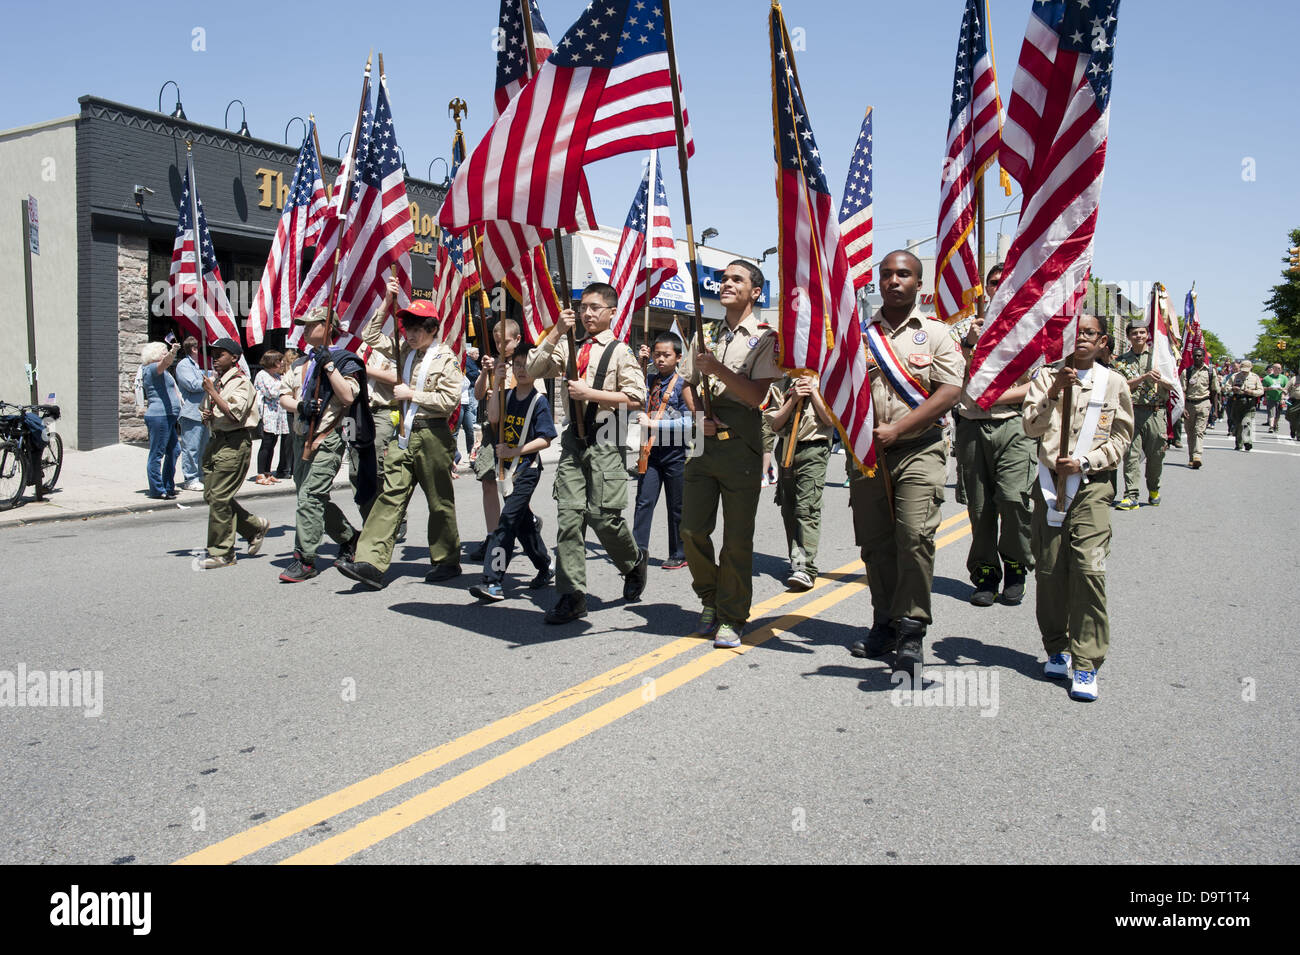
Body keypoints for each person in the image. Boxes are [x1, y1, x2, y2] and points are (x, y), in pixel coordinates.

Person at [847, 251, 963, 677]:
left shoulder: (935, 334)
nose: (894, 281)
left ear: (918, 283)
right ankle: (885, 622)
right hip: (870, 456)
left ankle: (912, 629)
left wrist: (899, 429)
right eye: (887, 275)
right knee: (876, 545)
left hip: (919, 448)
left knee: (913, 537)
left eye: (904, 275)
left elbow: (950, 390)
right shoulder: (859, 336)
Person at [1022, 314, 1134, 702]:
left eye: (1089, 333)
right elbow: (1031, 428)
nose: (1082, 338)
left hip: (1092, 485)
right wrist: (1054, 390)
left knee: (1088, 568)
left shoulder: (1114, 383)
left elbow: (1121, 437)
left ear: (1103, 341)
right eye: (1076, 332)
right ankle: (1057, 647)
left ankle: (1086, 663)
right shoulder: (1045, 378)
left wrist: (1087, 462)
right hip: (1051, 484)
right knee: (1051, 569)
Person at [526, 282, 648, 624]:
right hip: (573, 442)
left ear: (611, 312)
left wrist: (590, 392)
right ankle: (572, 594)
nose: (587, 313)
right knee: (569, 518)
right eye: (583, 307)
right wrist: (555, 333)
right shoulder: (569, 345)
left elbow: (637, 398)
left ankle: (633, 560)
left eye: (595, 307)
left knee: (603, 516)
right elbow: (534, 369)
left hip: (606, 438)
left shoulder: (620, 351)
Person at [680, 261, 782, 647]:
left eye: (736, 279)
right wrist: (697, 414)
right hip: (704, 441)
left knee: (737, 539)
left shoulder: (765, 337)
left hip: (742, 442)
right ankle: (710, 598)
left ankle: (733, 615)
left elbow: (758, 396)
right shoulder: (704, 331)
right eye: (723, 278)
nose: (726, 284)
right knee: (691, 530)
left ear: (755, 292)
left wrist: (717, 367)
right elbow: (687, 381)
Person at [337, 299, 463, 589]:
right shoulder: (404, 350)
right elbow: (369, 336)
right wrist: (384, 302)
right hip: (404, 434)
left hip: (433, 434)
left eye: (418, 328)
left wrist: (411, 395)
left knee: (439, 500)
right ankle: (370, 562)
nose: (410, 332)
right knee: (390, 495)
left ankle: (446, 559)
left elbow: (447, 402)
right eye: (407, 327)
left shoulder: (445, 358)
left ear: (432, 329)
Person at [953, 265, 1035, 607]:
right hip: (972, 424)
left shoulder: (1029, 325)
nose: (999, 289)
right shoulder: (964, 327)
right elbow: (949, 377)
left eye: (1005, 284)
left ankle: (1016, 564)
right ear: (985, 288)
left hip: (1013, 424)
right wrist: (970, 343)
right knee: (979, 505)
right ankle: (986, 573)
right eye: (993, 283)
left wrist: (997, 396)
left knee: (1014, 499)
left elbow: (1041, 383)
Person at [277, 307, 369, 583]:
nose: (305, 328)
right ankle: (349, 537)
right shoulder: (298, 363)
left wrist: (329, 365)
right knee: (309, 496)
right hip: (299, 436)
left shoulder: (344, 360)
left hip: (326, 437)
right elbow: (284, 397)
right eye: (303, 325)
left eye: (312, 324)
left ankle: (305, 559)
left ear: (328, 327)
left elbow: (348, 396)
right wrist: (301, 405)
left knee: (310, 497)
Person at [469, 345, 555, 601]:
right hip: (504, 469)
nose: (521, 369)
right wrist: (497, 381)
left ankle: (492, 581)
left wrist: (515, 451)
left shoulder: (539, 401)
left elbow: (546, 439)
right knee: (523, 525)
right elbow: (493, 418)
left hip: (526, 470)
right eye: (517, 364)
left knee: (505, 522)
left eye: (527, 364)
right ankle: (544, 566)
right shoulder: (506, 395)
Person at [198, 337, 268, 569]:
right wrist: (206, 413)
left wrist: (212, 392)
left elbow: (235, 414)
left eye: (220, 354)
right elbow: (207, 409)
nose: (215, 359)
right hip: (216, 441)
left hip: (234, 443)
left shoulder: (241, 383)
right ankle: (253, 527)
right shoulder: (216, 382)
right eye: (213, 354)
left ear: (234, 358)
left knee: (219, 497)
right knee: (212, 496)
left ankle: (223, 552)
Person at [764, 373, 834, 591]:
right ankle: (796, 559)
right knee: (789, 508)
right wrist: (793, 400)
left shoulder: (827, 379)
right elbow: (774, 424)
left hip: (814, 448)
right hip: (786, 448)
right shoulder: (780, 383)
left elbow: (830, 420)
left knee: (807, 508)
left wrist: (813, 391)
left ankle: (805, 567)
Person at [634, 333, 695, 571]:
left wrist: (655, 424)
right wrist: (639, 363)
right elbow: (634, 393)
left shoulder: (683, 384)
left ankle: (679, 552)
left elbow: (689, 422)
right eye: (657, 354)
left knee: (676, 505)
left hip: (675, 453)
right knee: (643, 502)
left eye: (666, 355)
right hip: (649, 453)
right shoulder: (647, 380)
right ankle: (636, 552)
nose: (660, 359)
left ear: (678, 357)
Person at [469, 318, 528, 562]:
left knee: (511, 490)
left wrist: (503, 392)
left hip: (514, 433)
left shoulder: (524, 364)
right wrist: (486, 372)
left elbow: (529, 397)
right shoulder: (493, 364)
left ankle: (527, 522)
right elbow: (478, 393)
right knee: (487, 481)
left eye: (505, 341)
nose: (500, 345)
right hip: (490, 431)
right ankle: (493, 536)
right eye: (496, 342)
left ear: (517, 339)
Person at [357, 279, 404, 523]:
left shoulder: (397, 348)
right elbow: (368, 334)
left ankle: (393, 514)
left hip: (384, 411)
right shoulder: (364, 348)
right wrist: (386, 300)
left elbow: (399, 378)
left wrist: (365, 370)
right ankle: (371, 518)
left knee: (377, 463)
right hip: (359, 412)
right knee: (357, 470)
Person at [1114, 323, 1170, 510]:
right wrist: (1143, 378)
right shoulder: (1121, 361)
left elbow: (1173, 385)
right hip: (1132, 411)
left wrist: (1159, 379)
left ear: (1147, 335)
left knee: (1156, 456)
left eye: (1142, 332)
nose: (1138, 336)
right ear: (1128, 337)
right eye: (1134, 333)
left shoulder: (1160, 358)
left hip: (1155, 412)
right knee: (1131, 454)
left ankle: (1154, 489)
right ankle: (1131, 495)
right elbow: (1121, 385)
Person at [139, 340, 182, 500]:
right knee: (157, 454)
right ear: (155, 354)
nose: (166, 353)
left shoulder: (161, 370)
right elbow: (166, 362)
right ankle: (157, 489)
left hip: (168, 416)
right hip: (159, 416)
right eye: (163, 351)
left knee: (175, 450)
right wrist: (173, 351)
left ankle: (168, 485)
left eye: (166, 351)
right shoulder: (151, 368)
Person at [174, 336, 208, 491]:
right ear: (194, 349)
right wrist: (210, 382)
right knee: (191, 447)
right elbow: (192, 385)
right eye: (202, 348)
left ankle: (200, 475)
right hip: (191, 412)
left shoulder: (199, 366)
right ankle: (190, 478)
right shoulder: (184, 365)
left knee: (204, 447)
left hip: (204, 412)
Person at [253, 351, 291, 484]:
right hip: (267, 415)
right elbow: (272, 392)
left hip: (278, 416)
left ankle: (268, 472)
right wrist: (284, 385)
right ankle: (260, 473)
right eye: (278, 361)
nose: (281, 364)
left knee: (273, 444)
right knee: (266, 444)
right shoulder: (262, 375)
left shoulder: (277, 377)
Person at [1180, 346, 1217, 469]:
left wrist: (1215, 410)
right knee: (1190, 432)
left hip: (1204, 403)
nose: (1197, 357)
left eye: (1200, 355)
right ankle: (1191, 457)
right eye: (1195, 355)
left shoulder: (1210, 372)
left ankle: (1197, 456)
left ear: (1203, 357)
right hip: (1189, 404)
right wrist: (1183, 407)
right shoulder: (1187, 372)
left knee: (1199, 431)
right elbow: (1183, 391)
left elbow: (1214, 392)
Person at [1228, 359, 1264, 451]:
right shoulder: (1235, 376)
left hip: (1249, 402)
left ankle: (1247, 442)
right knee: (1238, 424)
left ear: (1251, 368)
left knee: (1247, 422)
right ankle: (1238, 444)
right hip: (1237, 401)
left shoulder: (1255, 377)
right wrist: (1232, 388)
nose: (1244, 372)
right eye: (1243, 370)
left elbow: (1261, 391)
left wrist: (1252, 392)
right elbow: (1225, 388)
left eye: (1246, 370)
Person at [1262, 363, 1288, 433]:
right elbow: (1262, 388)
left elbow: (1286, 389)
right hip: (1270, 398)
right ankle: (1271, 427)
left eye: (1280, 368)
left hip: (1280, 399)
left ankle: (1275, 425)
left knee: (1278, 415)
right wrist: (1269, 388)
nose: (1280, 370)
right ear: (1273, 369)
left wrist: (1281, 390)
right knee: (1271, 413)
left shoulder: (1284, 378)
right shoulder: (1267, 378)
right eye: (1278, 368)